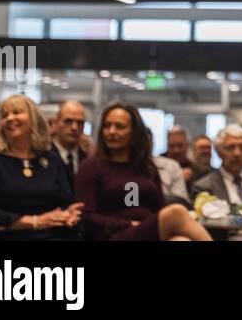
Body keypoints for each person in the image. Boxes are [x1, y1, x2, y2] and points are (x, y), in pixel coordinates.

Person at [75, 103, 211, 240]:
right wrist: (128, 224)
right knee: (176, 211)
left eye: (120, 126)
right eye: (107, 126)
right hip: (112, 235)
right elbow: (86, 217)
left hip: (146, 233)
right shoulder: (91, 167)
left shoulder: (147, 167)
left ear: (134, 132)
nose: (111, 131)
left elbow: (159, 208)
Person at [0, 94, 83, 238]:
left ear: (33, 119)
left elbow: (65, 202)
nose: (10, 118)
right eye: (4, 115)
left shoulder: (52, 159)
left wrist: (70, 213)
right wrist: (35, 221)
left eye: (16, 112)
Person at [191, 125, 242, 241]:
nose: (237, 153)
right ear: (219, 152)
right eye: (230, 147)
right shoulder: (204, 186)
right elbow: (211, 226)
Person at [50, 98, 86, 191]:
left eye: (80, 122)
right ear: (55, 123)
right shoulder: (42, 156)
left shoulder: (88, 160)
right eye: (68, 121)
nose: (74, 127)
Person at [149, 130, 190, 205]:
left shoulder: (172, 165)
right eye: (172, 146)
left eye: (180, 145)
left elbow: (180, 201)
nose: (176, 150)